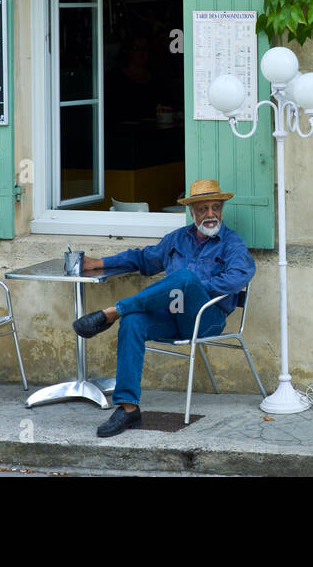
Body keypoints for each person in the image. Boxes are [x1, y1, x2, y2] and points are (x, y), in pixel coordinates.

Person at [73, 179, 256, 437]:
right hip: (173, 316)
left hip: (207, 320)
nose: (211, 214)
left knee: (185, 279)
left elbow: (238, 277)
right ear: (192, 212)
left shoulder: (232, 244)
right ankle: (128, 408)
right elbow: (142, 258)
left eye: (216, 207)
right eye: (203, 209)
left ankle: (112, 312)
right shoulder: (176, 239)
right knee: (134, 322)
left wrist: (193, 288)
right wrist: (98, 262)